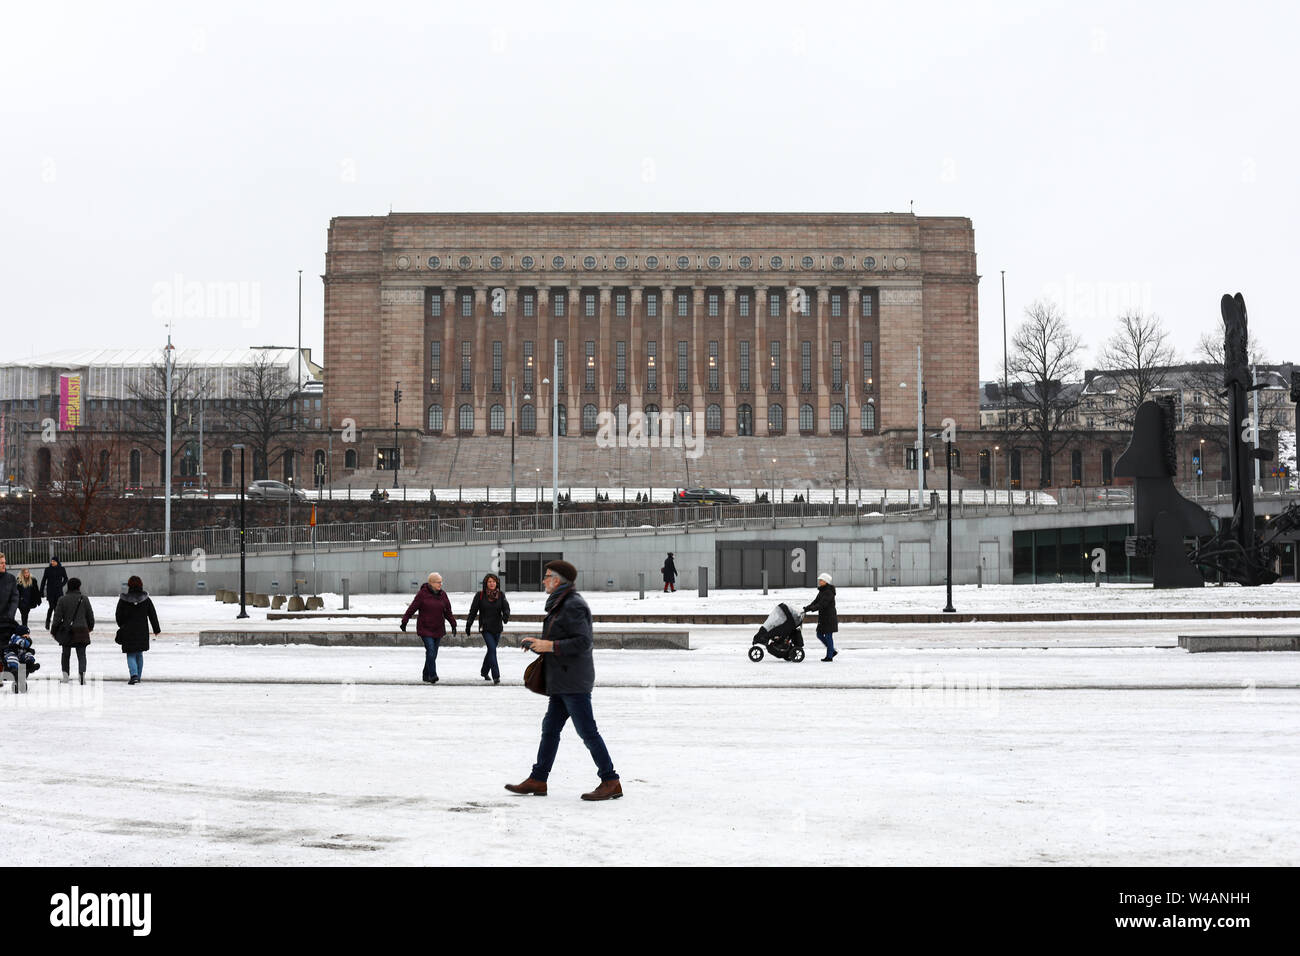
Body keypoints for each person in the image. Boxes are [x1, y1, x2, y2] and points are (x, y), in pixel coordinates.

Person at [505, 559, 622, 801]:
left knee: (587, 732)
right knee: (550, 730)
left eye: (547, 576)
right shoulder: (560, 604)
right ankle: (538, 779)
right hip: (561, 681)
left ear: (557, 580)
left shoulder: (573, 605)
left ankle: (611, 780)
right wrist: (538, 644)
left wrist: (548, 645)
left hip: (574, 681)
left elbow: (583, 642)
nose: (543, 580)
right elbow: (560, 641)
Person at [400, 572, 456, 684]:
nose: (440, 584)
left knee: (433, 653)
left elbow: (448, 611)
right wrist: (404, 621)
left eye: (441, 582)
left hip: (438, 628)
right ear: (431, 583)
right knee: (430, 651)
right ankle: (432, 675)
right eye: (438, 582)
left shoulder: (443, 595)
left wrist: (453, 624)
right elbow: (412, 608)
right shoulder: (422, 594)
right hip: (425, 628)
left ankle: (425, 674)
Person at [465, 572, 511, 685]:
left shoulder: (501, 595)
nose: (492, 583)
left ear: (497, 583)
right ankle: (496, 676)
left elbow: (506, 608)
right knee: (492, 649)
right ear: (486, 583)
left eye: (494, 582)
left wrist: (506, 616)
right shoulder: (480, 595)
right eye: (489, 582)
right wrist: (468, 625)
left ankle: (484, 671)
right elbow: (473, 611)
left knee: (491, 650)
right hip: (485, 627)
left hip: (497, 627)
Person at [115, 576, 161, 685]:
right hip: (142, 630)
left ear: (129, 585)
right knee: (139, 654)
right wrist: (156, 629)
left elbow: (118, 615)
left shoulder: (123, 599)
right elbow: (152, 615)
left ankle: (134, 675)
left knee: (130, 653)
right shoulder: (146, 599)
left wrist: (122, 625)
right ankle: (138, 676)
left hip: (127, 630)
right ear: (141, 584)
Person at [50, 576, 94, 685]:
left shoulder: (62, 599)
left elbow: (57, 617)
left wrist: (54, 630)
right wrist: (90, 627)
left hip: (67, 631)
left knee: (65, 654)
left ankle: (65, 677)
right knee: (82, 655)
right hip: (82, 631)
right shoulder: (84, 599)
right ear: (78, 587)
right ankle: (82, 677)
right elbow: (90, 616)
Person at [803, 572, 839, 662]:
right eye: (819, 580)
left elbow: (823, 604)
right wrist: (806, 608)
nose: (819, 581)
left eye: (821, 580)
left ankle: (829, 656)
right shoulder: (822, 591)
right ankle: (832, 650)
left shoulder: (829, 592)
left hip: (829, 617)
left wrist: (812, 609)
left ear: (826, 581)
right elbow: (815, 602)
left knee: (828, 636)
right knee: (819, 634)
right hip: (823, 617)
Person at [40, 557, 68, 630]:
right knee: (51, 607)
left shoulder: (62, 569)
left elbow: (66, 578)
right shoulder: (47, 569)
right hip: (50, 592)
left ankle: (56, 623)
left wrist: (61, 585)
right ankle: (48, 621)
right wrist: (41, 591)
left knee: (57, 609)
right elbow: (43, 580)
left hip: (58, 592)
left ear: (57, 562)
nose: (52, 562)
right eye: (51, 561)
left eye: (53, 561)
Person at [0, 553, 17, 629]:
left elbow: (14, 599)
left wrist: (10, 615)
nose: (4, 565)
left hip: (6, 622)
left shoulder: (11, 578)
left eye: (5, 563)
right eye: (1, 563)